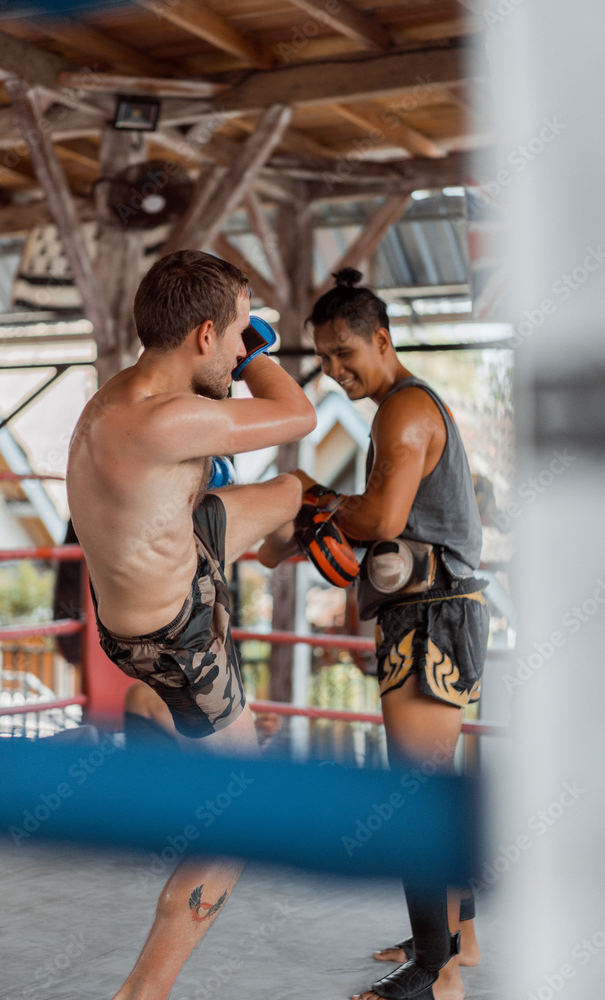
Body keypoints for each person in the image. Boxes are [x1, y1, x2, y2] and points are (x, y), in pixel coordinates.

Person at [66, 248, 316, 1000]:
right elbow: (297, 413)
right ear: (204, 336)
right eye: (239, 333)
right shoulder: (171, 418)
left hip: (174, 556)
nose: (244, 348)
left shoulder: (124, 395)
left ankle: (275, 547)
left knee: (290, 490)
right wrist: (263, 352)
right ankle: (142, 994)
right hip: (176, 640)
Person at [260, 268, 489, 1000]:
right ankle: (460, 940)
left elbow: (384, 521)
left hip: (431, 616)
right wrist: (323, 511)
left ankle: (431, 970)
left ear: (381, 341)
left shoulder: (403, 409)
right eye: (322, 358)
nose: (333, 370)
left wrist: (316, 503)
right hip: (429, 615)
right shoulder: (400, 406)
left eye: (343, 353)